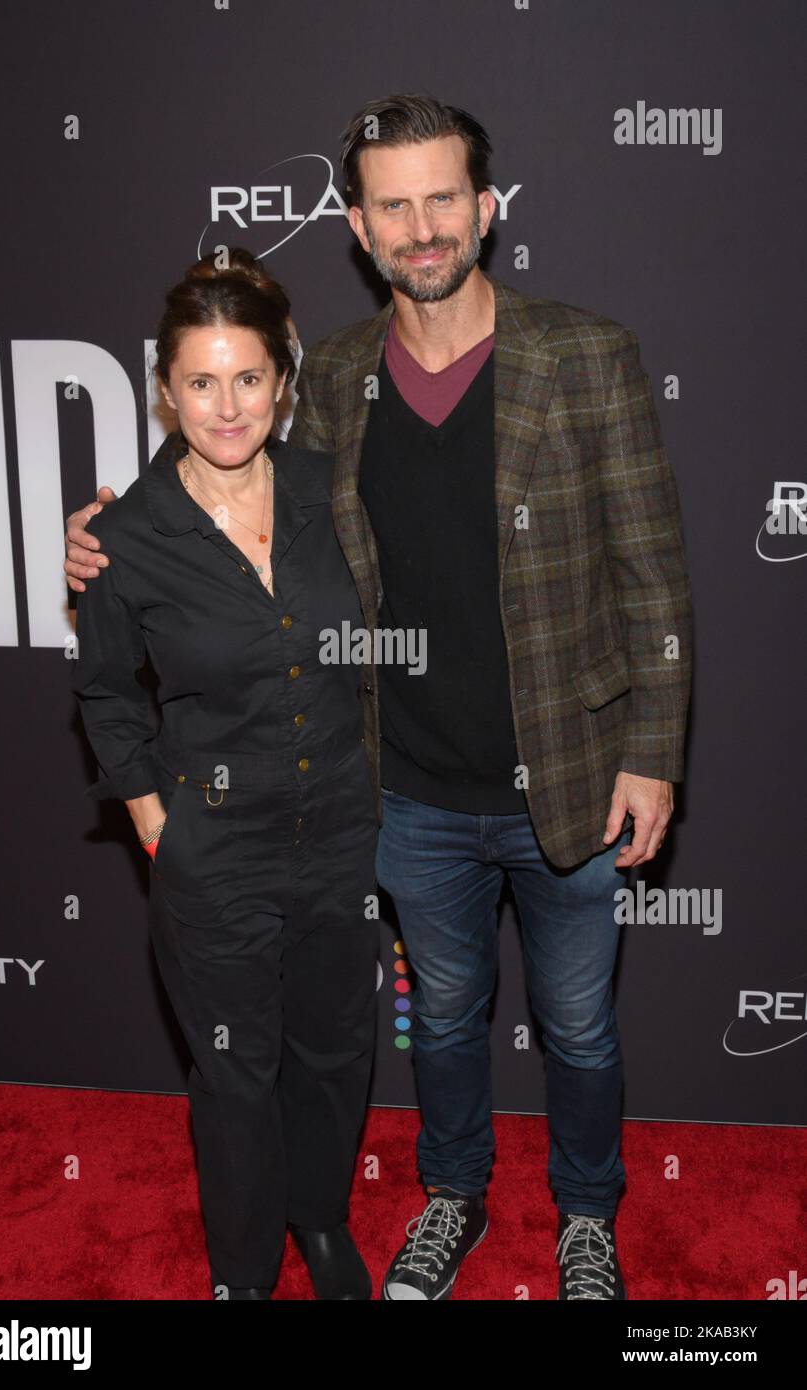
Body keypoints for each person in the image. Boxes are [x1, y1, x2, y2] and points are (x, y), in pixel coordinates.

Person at [66, 93, 694, 1302]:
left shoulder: (586, 353)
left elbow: (654, 574)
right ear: (355, 227)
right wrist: (104, 535)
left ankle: (587, 1220)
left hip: (567, 776)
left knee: (579, 1029)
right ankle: (452, 1197)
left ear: (487, 208)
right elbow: (209, 459)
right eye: (392, 204)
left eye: (442, 197)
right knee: (443, 1028)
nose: (420, 227)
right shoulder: (340, 381)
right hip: (404, 791)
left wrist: (654, 750)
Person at [68, 249, 380, 1300]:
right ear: (165, 389)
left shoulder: (330, 485)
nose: (227, 405)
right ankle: (242, 1274)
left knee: (336, 1052)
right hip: (215, 852)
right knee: (237, 1075)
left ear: (282, 381)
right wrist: (159, 826)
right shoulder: (122, 540)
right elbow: (107, 693)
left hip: (341, 828)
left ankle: (322, 1218)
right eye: (201, 381)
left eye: (247, 378)